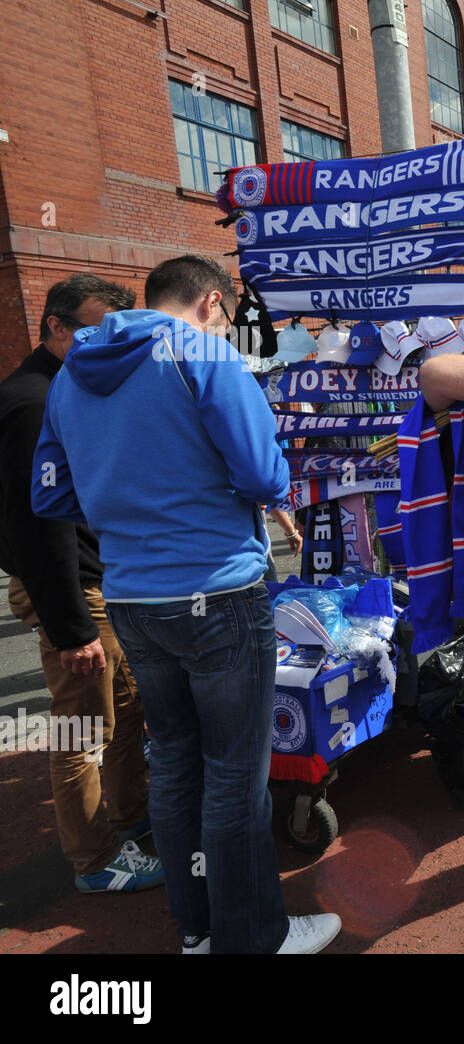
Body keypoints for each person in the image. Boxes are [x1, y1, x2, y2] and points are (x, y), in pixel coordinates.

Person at [32, 256, 340, 955]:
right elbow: (263, 475)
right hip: (218, 590)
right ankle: (253, 937)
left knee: (172, 760)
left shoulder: (70, 375)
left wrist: (127, 507)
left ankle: (199, 929)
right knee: (235, 773)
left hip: (132, 596)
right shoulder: (205, 356)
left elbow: (49, 494)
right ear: (211, 303)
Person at [0, 274, 161, 895]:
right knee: (82, 725)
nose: (104, 341)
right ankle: (94, 860)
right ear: (56, 328)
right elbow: (36, 523)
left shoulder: (66, 385)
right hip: (71, 588)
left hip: (93, 578)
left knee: (123, 709)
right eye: (90, 329)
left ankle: (129, 817)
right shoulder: (34, 402)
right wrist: (69, 625)